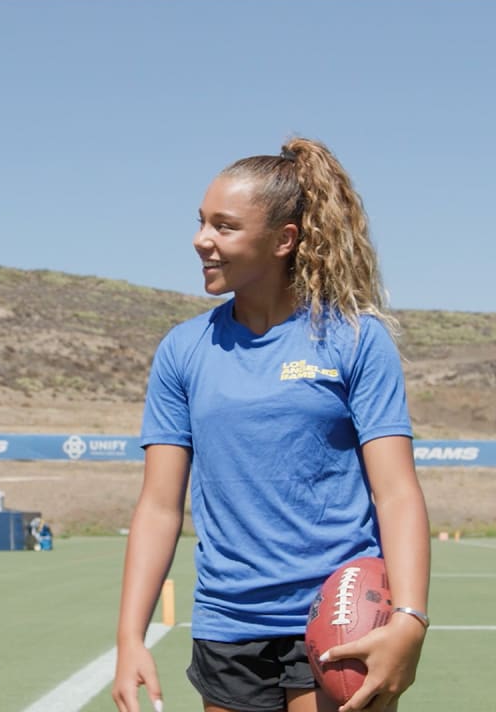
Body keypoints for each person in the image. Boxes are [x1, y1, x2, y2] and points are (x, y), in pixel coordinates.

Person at [112, 138, 431, 712]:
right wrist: (129, 636)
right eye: (201, 222)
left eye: (225, 226)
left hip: (337, 617)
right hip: (228, 623)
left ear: (283, 241)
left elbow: (397, 493)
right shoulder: (183, 350)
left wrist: (409, 618)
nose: (200, 240)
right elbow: (159, 506)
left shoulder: (356, 339)